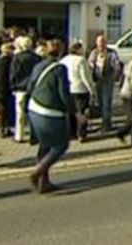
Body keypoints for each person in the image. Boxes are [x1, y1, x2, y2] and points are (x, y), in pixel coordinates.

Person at [26, 40, 76, 193]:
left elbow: (30, 86)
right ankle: (38, 172)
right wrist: (74, 112)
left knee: (45, 145)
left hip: (33, 108)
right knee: (61, 145)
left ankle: (44, 183)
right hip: (50, 112)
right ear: (61, 52)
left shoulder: (38, 66)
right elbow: (64, 94)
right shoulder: (60, 69)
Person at [61, 41, 96, 142]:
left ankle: (72, 133)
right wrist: (92, 90)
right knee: (82, 112)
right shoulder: (81, 60)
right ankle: (81, 134)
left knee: (71, 112)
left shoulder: (64, 60)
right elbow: (85, 77)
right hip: (80, 89)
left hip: (69, 89)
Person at [87, 34, 122, 133]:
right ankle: (103, 122)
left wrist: (115, 76)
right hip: (97, 80)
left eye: (102, 42)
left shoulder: (111, 53)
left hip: (107, 80)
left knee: (107, 102)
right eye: (99, 42)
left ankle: (107, 124)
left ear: (105, 43)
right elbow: (89, 63)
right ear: (96, 43)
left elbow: (117, 65)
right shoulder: (94, 52)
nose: (101, 44)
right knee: (100, 102)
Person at [11, 37, 41, 142]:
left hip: (20, 88)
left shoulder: (17, 58)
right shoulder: (36, 58)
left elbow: (13, 73)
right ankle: (34, 135)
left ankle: (19, 136)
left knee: (19, 113)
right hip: (33, 87)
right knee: (32, 112)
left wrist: (13, 85)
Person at [0, 42, 15, 138]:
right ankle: (6, 128)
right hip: (7, 87)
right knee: (7, 109)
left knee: (1, 108)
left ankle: (2, 128)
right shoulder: (10, 61)